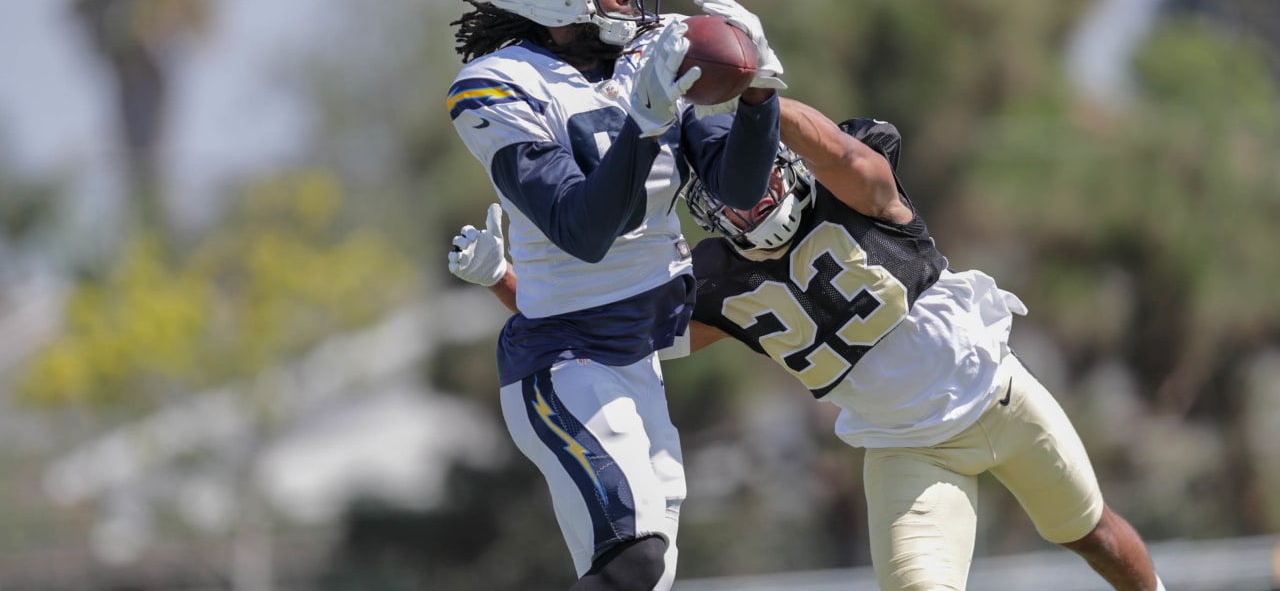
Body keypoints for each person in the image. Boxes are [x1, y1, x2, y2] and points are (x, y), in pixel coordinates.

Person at [451, 96, 1169, 591]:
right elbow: (607, 331)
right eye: (727, 194)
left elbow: (843, 151)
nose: (748, 199)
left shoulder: (853, 192)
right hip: (906, 449)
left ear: (783, 160)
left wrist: (759, 93)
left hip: (1000, 397)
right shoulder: (716, 282)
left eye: (753, 173)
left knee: (1095, 535)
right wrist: (502, 279)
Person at [446, 0, 786, 591]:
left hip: (641, 357)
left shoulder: (645, 56)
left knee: (646, 576)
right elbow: (584, 229)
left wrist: (759, 96)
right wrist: (645, 122)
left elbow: (736, 188)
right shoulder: (500, 86)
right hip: (566, 359)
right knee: (636, 562)